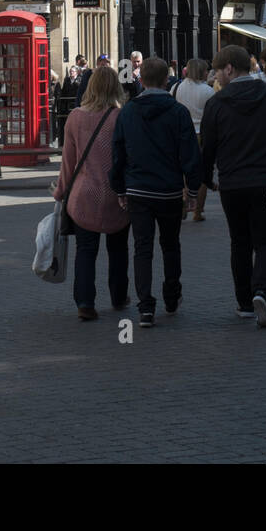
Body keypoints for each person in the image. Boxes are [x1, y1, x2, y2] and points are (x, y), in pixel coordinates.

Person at [202, 45, 266, 327]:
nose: (216, 76)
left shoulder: (217, 104)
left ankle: (244, 302)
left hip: (233, 188)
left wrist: (207, 178)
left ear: (229, 69)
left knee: (240, 241)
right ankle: (262, 293)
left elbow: (208, 147)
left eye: (218, 70)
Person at [109, 54, 202, 327]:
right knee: (171, 245)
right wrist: (193, 190)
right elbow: (190, 155)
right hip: (169, 191)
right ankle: (171, 296)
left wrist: (119, 188)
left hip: (138, 190)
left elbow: (118, 154)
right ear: (165, 80)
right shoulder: (178, 112)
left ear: (142, 80)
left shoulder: (127, 112)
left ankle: (145, 307)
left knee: (142, 248)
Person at [53, 65, 129, 320]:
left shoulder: (75, 117)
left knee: (86, 251)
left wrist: (60, 191)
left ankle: (85, 302)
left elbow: (68, 161)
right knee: (118, 250)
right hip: (117, 195)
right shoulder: (122, 116)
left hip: (83, 196)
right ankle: (119, 296)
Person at [175, 59, 214, 221]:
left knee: (183, 172)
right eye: (205, 70)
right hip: (201, 134)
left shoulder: (176, 87)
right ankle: (198, 210)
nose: (207, 73)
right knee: (202, 173)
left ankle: (183, 203)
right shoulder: (208, 91)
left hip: (182, 134)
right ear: (200, 71)